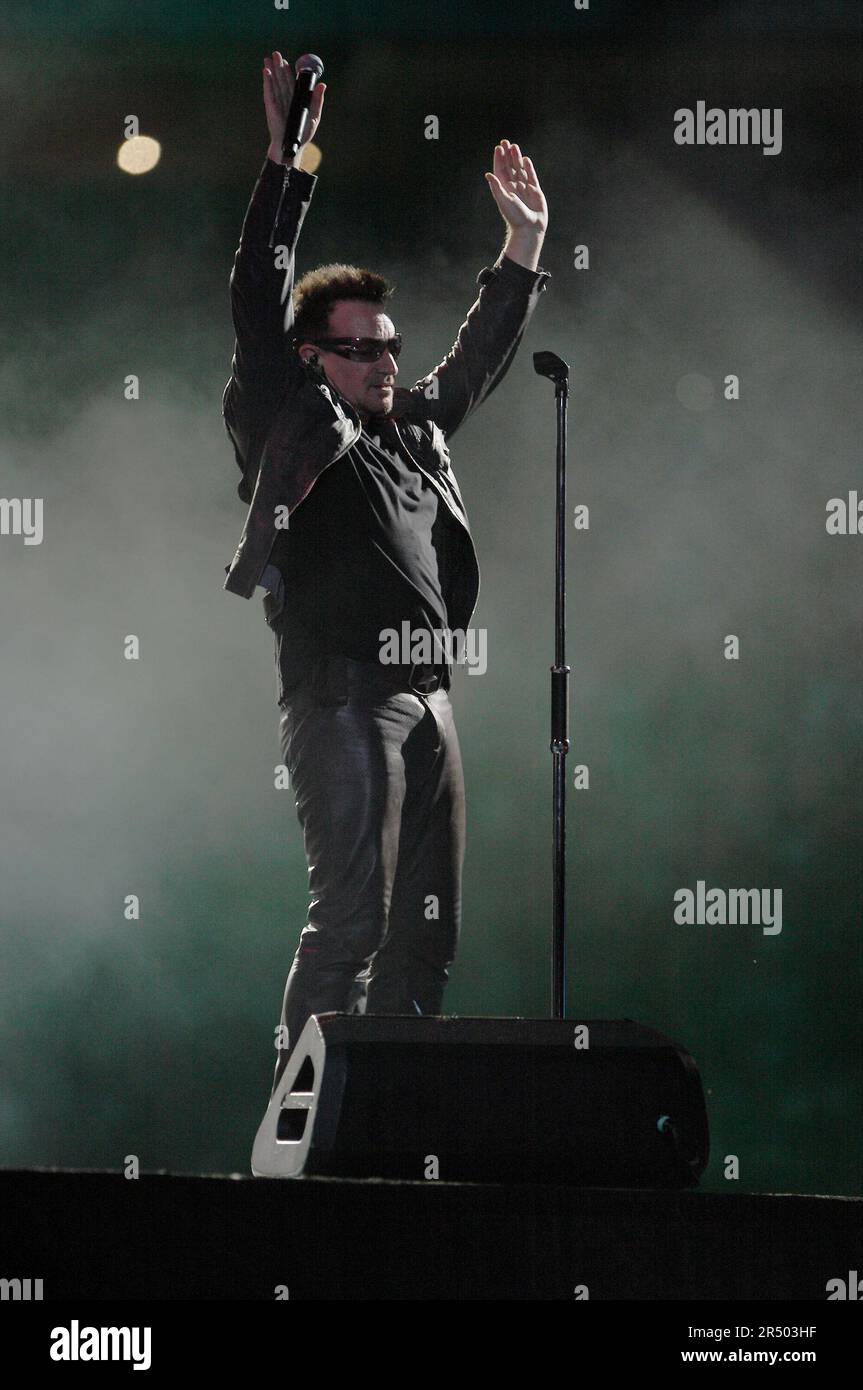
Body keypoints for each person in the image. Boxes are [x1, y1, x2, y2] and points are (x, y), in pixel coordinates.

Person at [221, 52, 550, 1094]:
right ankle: (302, 1128)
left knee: (426, 935)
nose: (384, 362)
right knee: (349, 924)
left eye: (388, 346)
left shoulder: (413, 433)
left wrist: (523, 248)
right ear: (314, 358)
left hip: (430, 700)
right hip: (344, 699)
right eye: (360, 349)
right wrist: (287, 167)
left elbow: (476, 362)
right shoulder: (290, 416)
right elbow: (251, 297)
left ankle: (393, 1125)